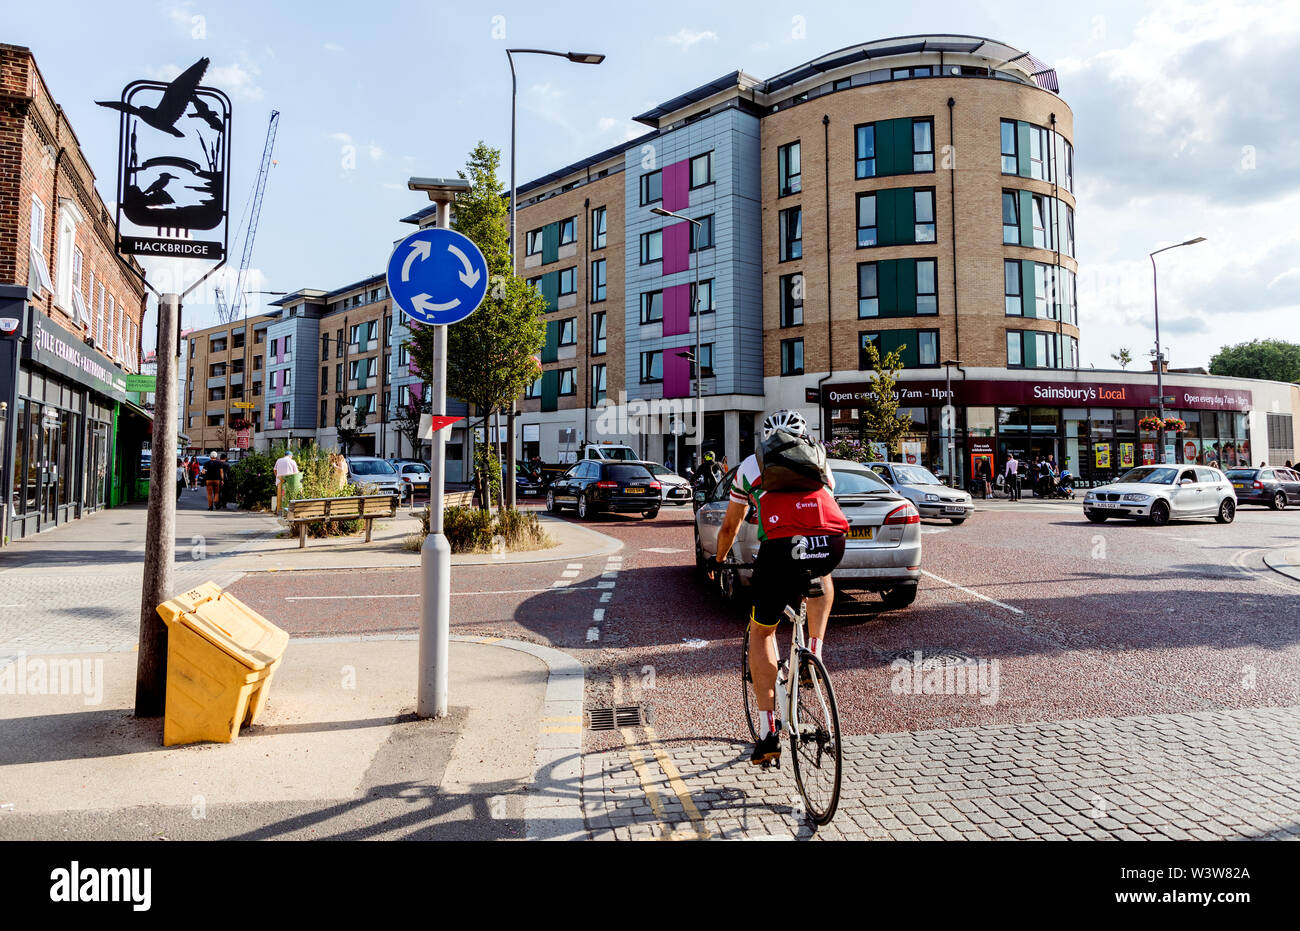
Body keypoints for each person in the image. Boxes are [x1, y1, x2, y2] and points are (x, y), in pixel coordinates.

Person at [712, 409, 848, 766]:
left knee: (762, 631)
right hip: (829, 544)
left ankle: (769, 732)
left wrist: (719, 559)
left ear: (766, 438)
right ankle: (813, 655)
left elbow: (730, 526)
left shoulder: (750, 466)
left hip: (779, 551)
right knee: (821, 580)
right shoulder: (819, 458)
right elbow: (826, 504)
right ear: (803, 434)